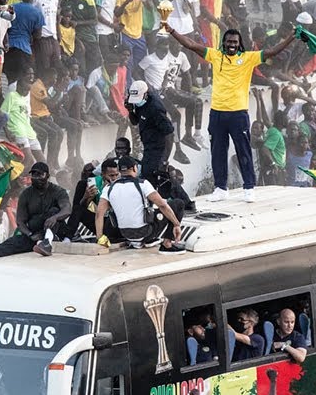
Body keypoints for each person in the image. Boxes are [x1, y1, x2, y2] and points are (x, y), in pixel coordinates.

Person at [162, 23, 295, 202]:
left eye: (234, 42)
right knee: (218, 151)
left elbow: (272, 52)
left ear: (239, 44)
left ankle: (249, 187)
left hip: (238, 113)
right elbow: (191, 45)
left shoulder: (248, 58)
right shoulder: (216, 56)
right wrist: (172, 30)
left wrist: (291, 38)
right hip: (217, 113)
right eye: (228, 41)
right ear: (223, 43)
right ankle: (220, 188)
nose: (231, 44)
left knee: (243, 151)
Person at [94, 155, 185, 252]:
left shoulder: (108, 188)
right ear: (134, 168)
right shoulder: (143, 184)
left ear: (119, 171)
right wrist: (176, 224)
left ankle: (143, 241)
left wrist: (100, 237)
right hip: (145, 233)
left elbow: (99, 214)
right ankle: (167, 244)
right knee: (178, 204)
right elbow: (162, 205)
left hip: (125, 233)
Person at [0, 162, 69, 259]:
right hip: (35, 232)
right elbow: (20, 221)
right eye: (34, 174)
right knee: (14, 241)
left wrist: (55, 217)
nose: (36, 177)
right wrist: (30, 234)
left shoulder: (58, 191)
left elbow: (67, 209)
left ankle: (47, 243)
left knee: (54, 211)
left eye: (40, 174)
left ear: (48, 176)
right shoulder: (25, 194)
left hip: (55, 230)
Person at [124, 81, 175, 181]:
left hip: (158, 148)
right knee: (145, 173)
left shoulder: (155, 108)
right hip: (147, 146)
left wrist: (164, 160)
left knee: (153, 175)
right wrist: (130, 111)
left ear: (145, 94)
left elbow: (169, 133)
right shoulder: (139, 104)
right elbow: (135, 122)